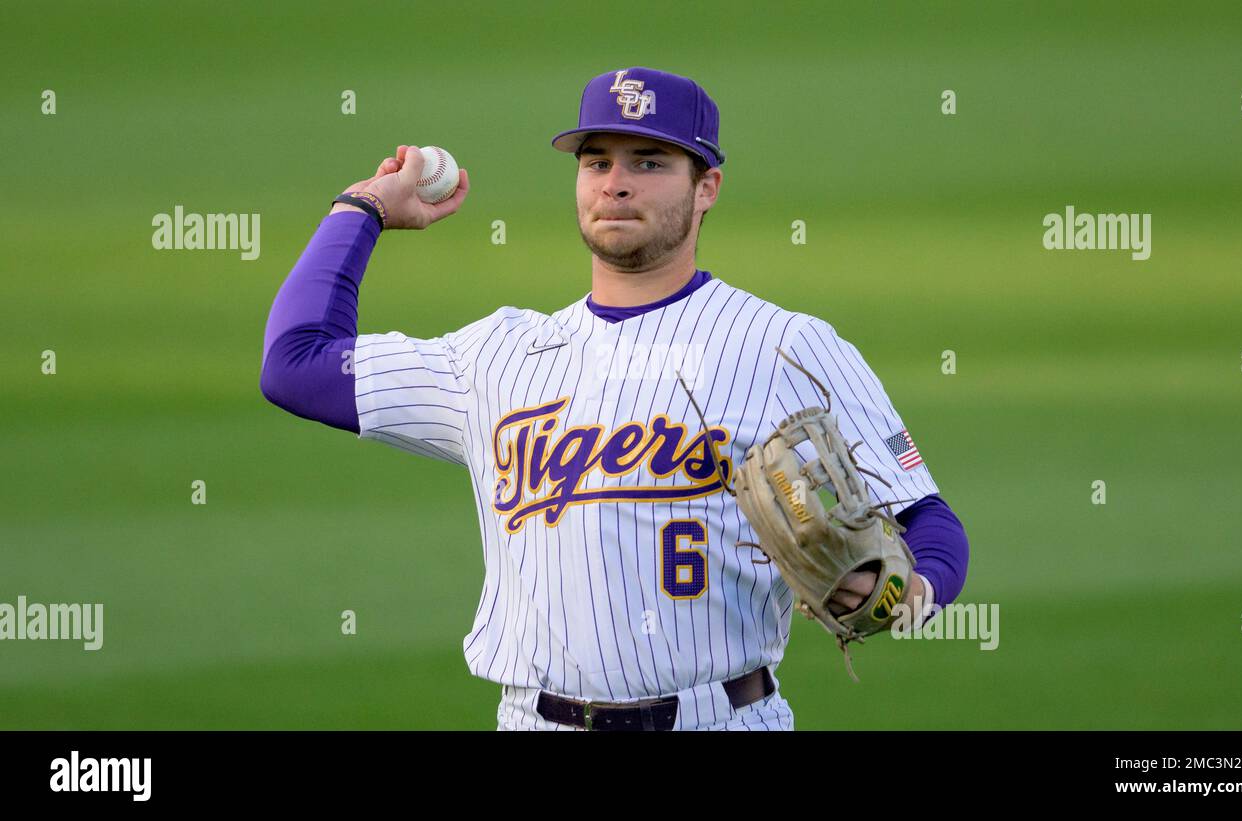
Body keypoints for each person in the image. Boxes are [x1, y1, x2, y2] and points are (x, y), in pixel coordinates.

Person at [260, 67, 969, 731]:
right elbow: (294, 365)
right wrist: (363, 209)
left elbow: (927, 518)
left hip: (722, 717)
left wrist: (908, 594)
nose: (616, 183)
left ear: (707, 187)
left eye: (649, 162)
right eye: (597, 161)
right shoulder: (494, 356)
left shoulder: (785, 345)